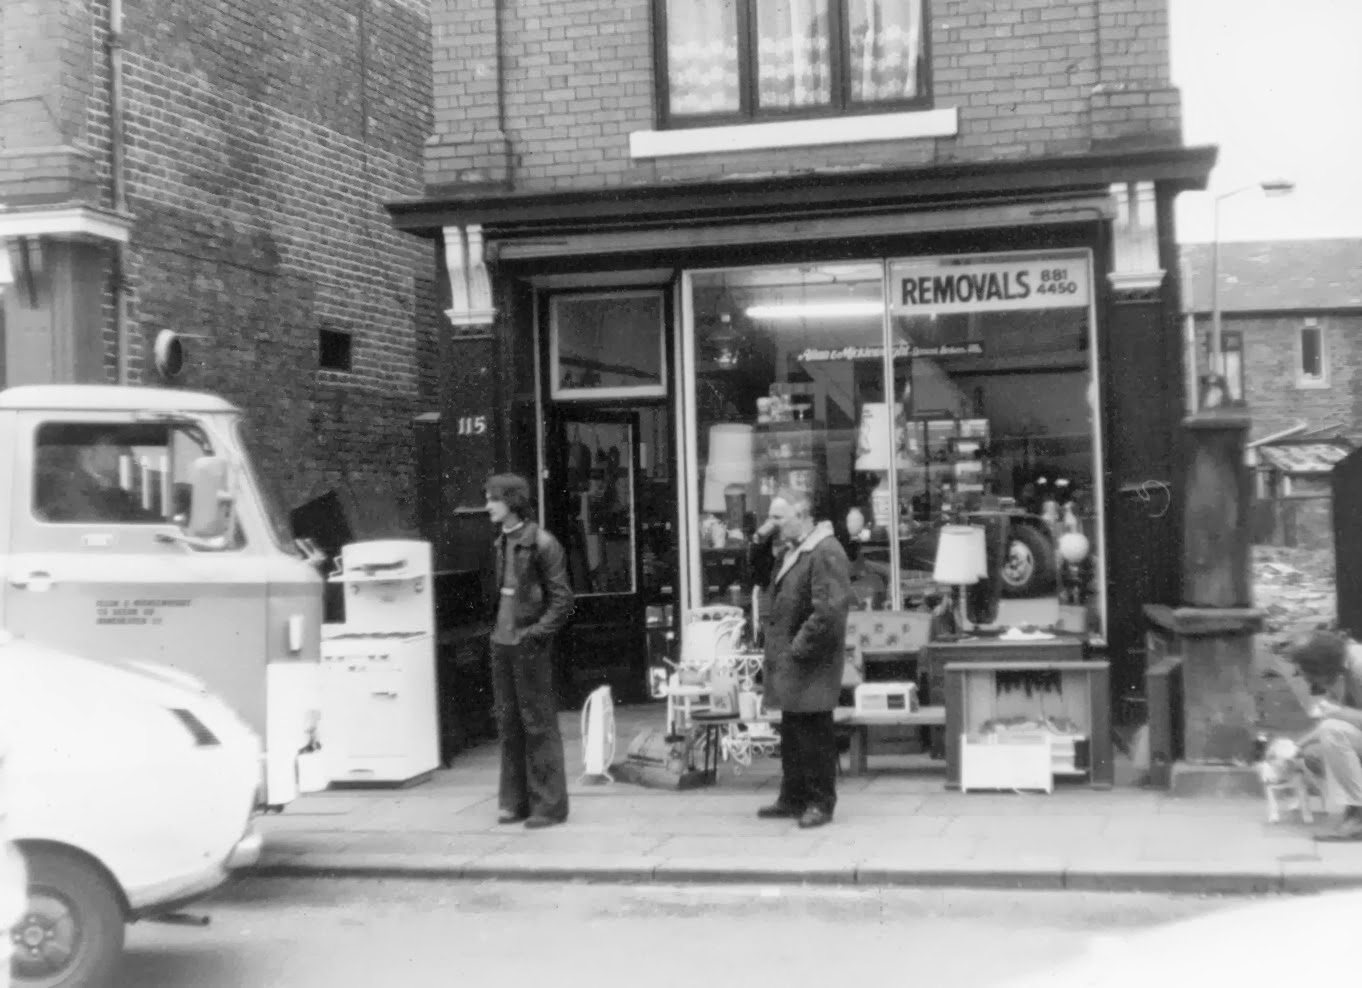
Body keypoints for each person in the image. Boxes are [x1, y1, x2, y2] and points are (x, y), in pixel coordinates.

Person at [756, 487, 852, 829]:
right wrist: (760, 537)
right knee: (794, 732)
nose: (774, 525)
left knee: (814, 734)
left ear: (802, 516)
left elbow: (828, 612)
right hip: (795, 661)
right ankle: (793, 797)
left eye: (779, 518)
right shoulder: (792, 550)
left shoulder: (825, 551)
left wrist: (797, 648)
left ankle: (820, 802)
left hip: (811, 663)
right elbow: (752, 571)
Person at [484, 473, 575, 829]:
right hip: (502, 644)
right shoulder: (501, 542)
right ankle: (516, 802)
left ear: (512, 502)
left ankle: (549, 807)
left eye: (493, 498)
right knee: (509, 723)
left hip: (526, 644)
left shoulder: (543, 543)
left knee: (538, 724)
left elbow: (563, 600)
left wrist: (535, 634)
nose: (488, 505)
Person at [1288, 629, 1362, 841]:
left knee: (1333, 731)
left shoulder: (1359, 665)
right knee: (1313, 754)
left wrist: (1339, 712)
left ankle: (1359, 818)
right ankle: (1352, 809)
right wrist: (1294, 748)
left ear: (1321, 666)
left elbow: (1336, 722)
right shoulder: (1338, 668)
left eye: (1307, 674)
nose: (1307, 680)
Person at [39, 434, 157, 523]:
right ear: (87, 452)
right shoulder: (69, 492)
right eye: (109, 446)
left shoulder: (116, 491)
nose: (118, 452)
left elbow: (137, 519)